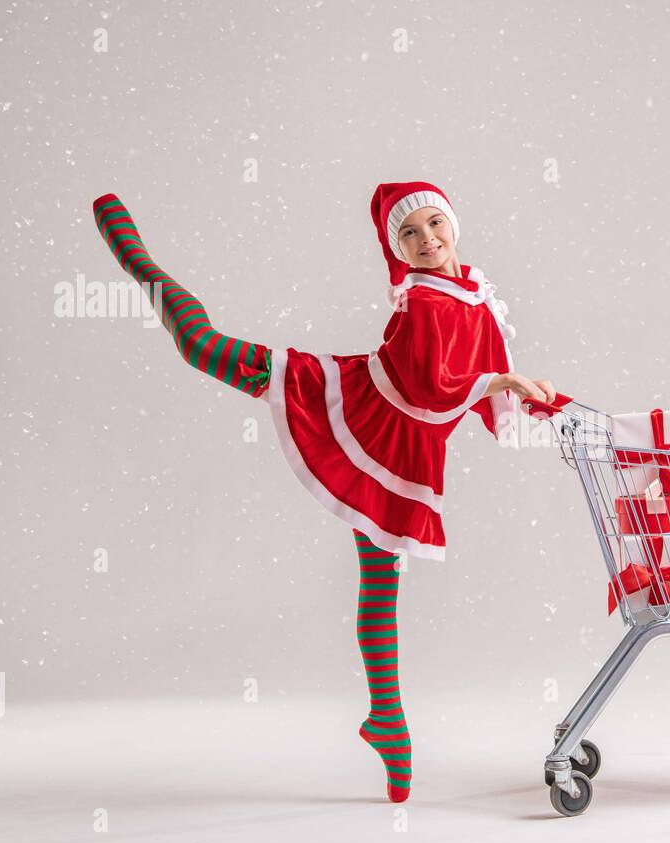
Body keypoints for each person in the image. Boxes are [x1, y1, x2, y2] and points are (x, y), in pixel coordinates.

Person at [91, 181, 556, 802]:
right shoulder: (419, 299)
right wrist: (500, 379)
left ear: (455, 225)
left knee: (380, 584)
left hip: (401, 453)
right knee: (200, 346)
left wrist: (542, 401)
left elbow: (494, 406)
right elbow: (427, 385)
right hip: (349, 405)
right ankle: (139, 261)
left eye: (435, 225)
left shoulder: (477, 298)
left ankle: (386, 719)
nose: (426, 241)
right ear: (399, 247)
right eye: (409, 234)